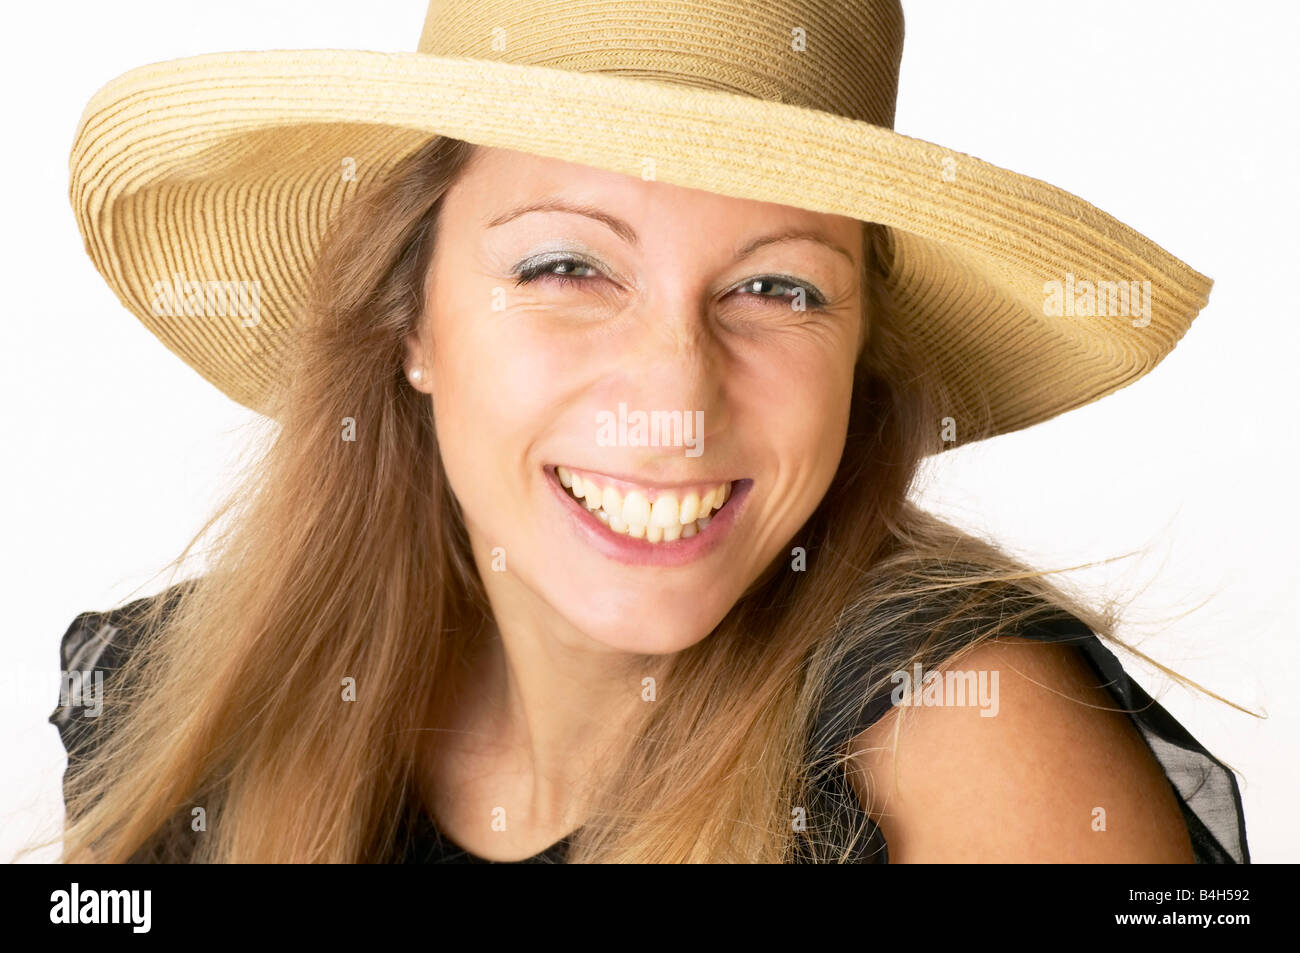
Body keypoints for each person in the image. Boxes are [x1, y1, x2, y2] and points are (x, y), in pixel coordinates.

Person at [45, 0, 1249, 863]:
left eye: (777, 288)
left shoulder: (953, 733)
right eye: (567, 264)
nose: (676, 394)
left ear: (860, 353)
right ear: (411, 316)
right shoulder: (193, 706)